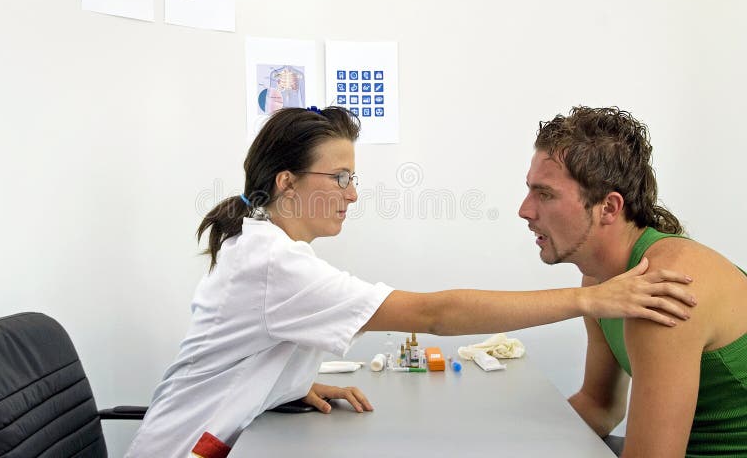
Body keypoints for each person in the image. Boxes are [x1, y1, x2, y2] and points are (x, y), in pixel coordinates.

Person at [126, 106, 695, 458]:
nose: (352, 193)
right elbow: (431, 315)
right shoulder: (277, 264)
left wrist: (288, 385)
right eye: (341, 177)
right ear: (287, 182)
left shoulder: (261, 249)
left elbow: (243, 351)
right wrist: (586, 299)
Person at [518, 106, 747, 458]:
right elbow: (599, 405)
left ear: (608, 208)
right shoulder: (599, 284)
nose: (525, 210)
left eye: (545, 194)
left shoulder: (660, 288)